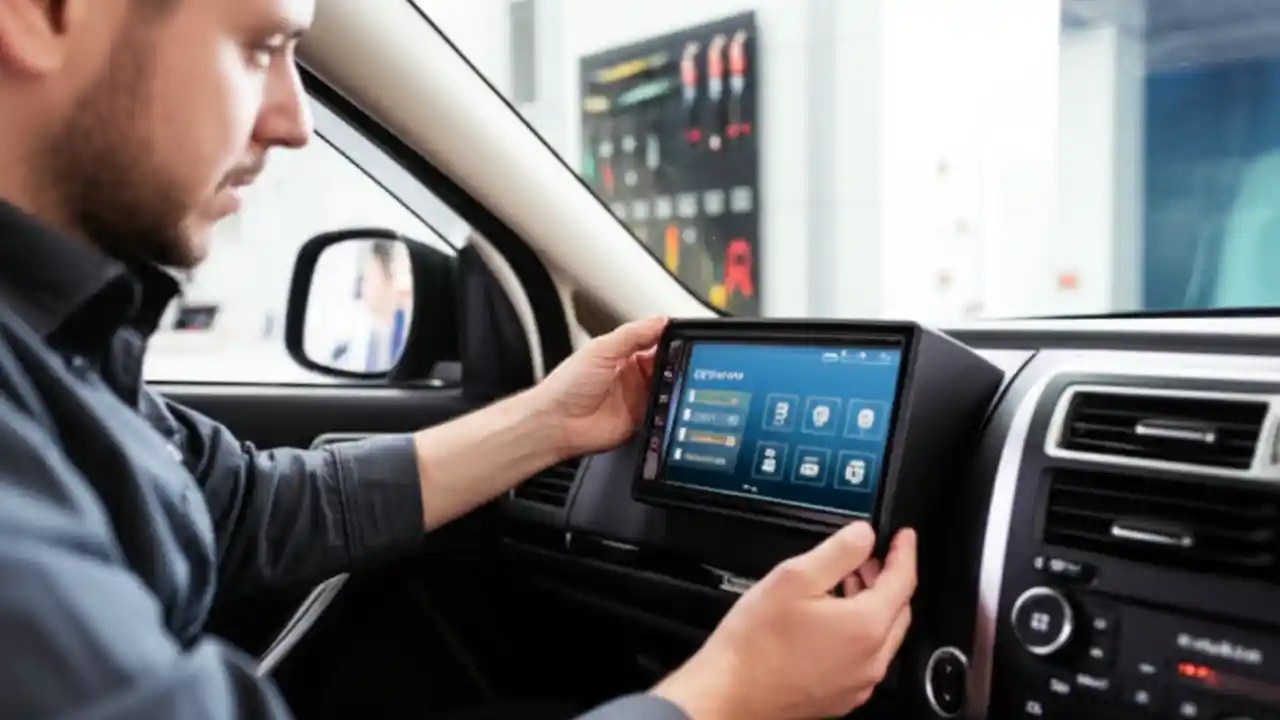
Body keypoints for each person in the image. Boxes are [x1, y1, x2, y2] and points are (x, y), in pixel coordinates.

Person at [0, 1, 917, 719]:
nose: (294, 122)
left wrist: (550, 422)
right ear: (41, 11)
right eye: (259, 46)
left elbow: (241, 508)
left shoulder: (50, 349)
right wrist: (724, 699)